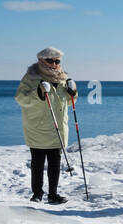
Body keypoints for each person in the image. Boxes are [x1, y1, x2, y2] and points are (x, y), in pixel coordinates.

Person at [15, 47, 78, 204]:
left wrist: (73, 92)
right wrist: (38, 92)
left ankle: (53, 194)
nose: (54, 64)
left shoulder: (62, 78)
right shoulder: (31, 77)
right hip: (38, 127)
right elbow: (21, 99)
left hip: (58, 127)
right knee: (37, 162)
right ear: (41, 60)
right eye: (50, 60)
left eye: (57, 61)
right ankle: (37, 194)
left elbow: (68, 103)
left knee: (55, 163)